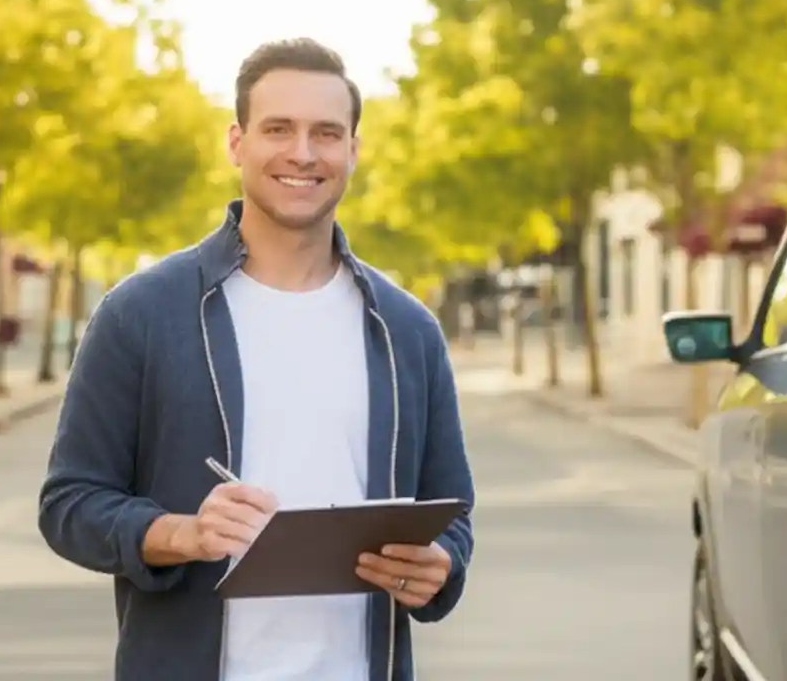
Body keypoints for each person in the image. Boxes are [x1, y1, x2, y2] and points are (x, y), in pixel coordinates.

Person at [38, 37, 475, 681]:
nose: (303, 153)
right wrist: (180, 533)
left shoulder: (406, 329)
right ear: (237, 143)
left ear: (353, 149)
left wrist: (440, 565)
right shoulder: (141, 314)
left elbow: (452, 513)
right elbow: (69, 504)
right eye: (279, 129)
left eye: (326, 133)